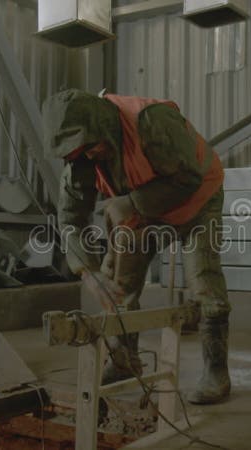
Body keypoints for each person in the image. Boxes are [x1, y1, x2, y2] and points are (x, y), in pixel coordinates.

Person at [45, 89, 232, 405]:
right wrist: (88, 273)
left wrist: (131, 203)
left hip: (198, 201)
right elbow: (71, 222)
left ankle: (217, 372)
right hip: (143, 211)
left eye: (90, 147)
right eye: (79, 152)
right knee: (117, 284)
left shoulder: (151, 121)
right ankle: (124, 361)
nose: (88, 156)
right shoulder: (81, 157)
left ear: (103, 126)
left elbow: (189, 178)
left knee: (204, 282)